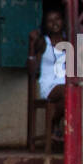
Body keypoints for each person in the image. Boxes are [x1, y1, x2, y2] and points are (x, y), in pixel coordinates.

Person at [28, 8, 68, 145]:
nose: (54, 23)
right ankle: (54, 125)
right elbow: (31, 68)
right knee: (68, 91)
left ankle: (53, 124)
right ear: (45, 25)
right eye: (50, 21)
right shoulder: (43, 42)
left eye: (57, 19)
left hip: (66, 85)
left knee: (74, 92)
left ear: (63, 21)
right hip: (49, 86)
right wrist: (32, 45)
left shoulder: (69, 42)